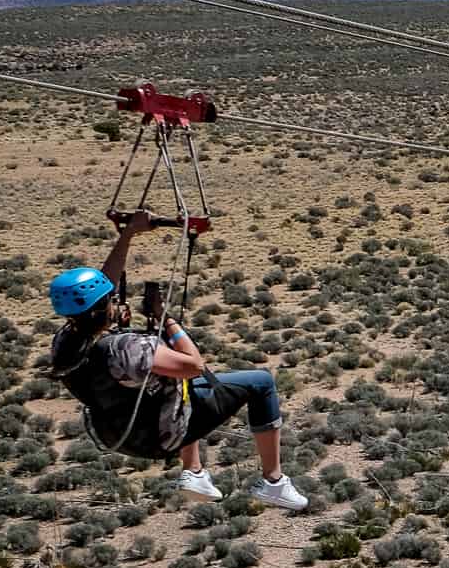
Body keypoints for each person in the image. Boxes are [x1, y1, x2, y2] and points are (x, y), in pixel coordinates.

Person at [47, 210, 308, 510]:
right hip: (159, 435)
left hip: (116, 434)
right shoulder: (125, 349)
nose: (116, 299)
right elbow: (194, 363)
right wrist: (165, 319)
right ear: (102, 306)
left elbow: (103, 286)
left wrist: (128, 233)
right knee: (260, 383)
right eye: (111, 299)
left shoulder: (66, 344)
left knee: (169, 382)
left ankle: (193, 472)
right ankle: (274, 481)